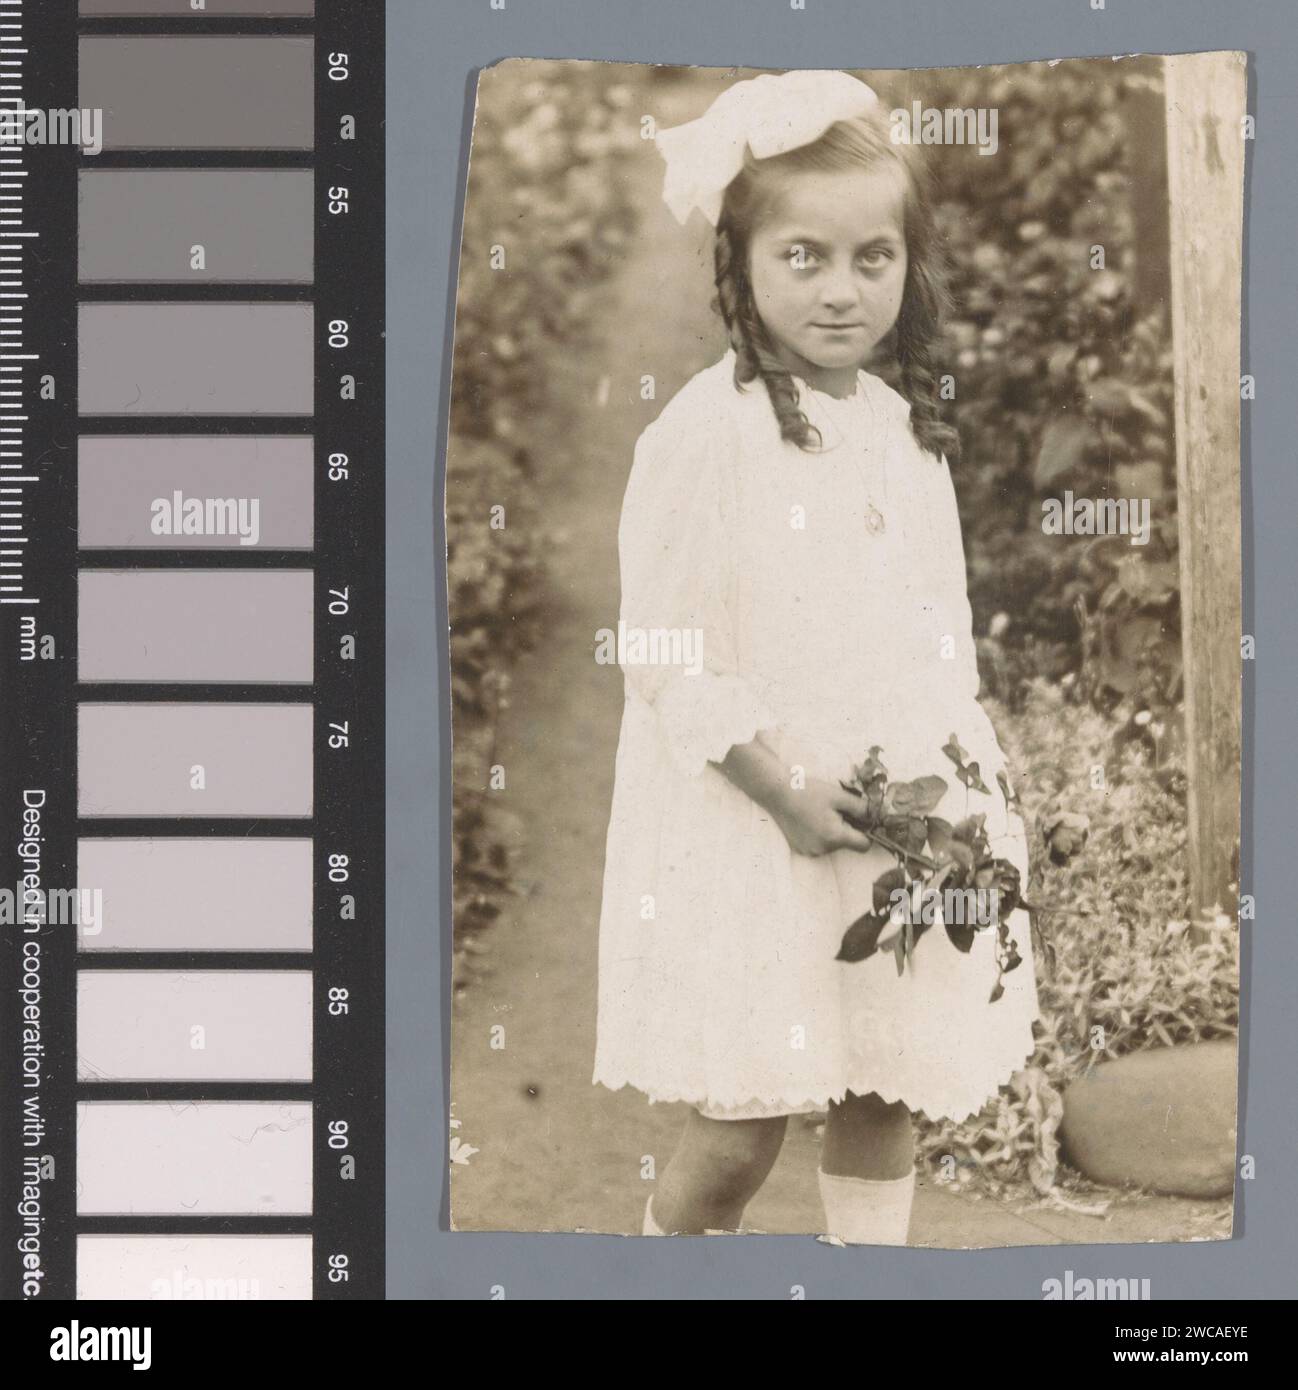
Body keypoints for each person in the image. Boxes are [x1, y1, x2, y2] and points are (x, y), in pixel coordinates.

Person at [593, 69, 1039, 1243]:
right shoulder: (706, 434)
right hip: (753, 817)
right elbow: (659, 645)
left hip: (883, 819)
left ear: (906, 264)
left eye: (870, 258)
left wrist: (962, 799)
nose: (841, 291)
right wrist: (781, 789)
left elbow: (935, 640)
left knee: (877, 1085)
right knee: (741, 1123)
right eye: (803, 257)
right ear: (739, 265)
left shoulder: (901, 432)